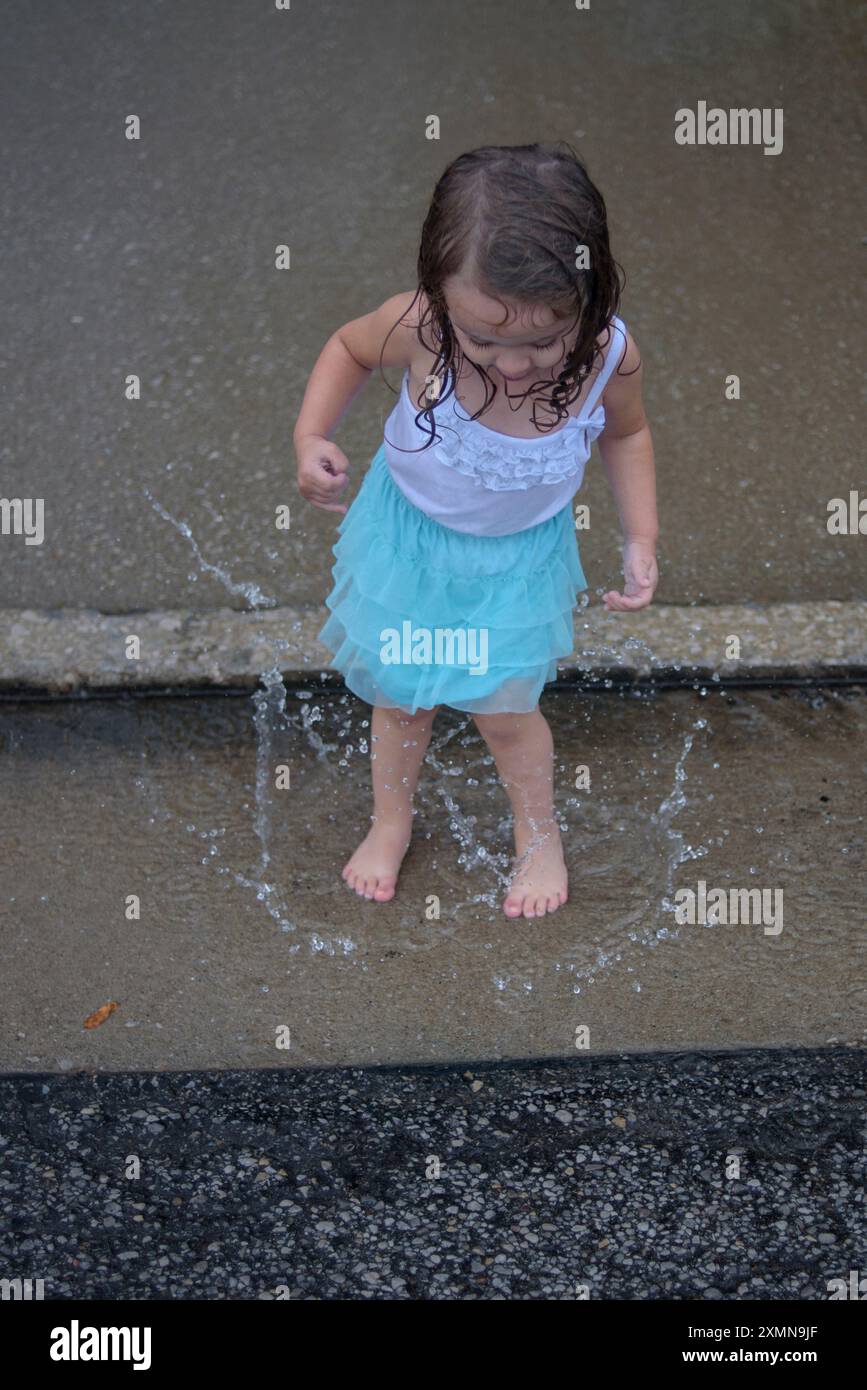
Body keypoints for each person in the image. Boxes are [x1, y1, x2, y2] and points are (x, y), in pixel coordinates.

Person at [294, 143, 658, 918]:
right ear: (438, 291)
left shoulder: (606, 358)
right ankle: (391, 821)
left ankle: (537, 834)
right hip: (409, 546)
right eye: (485, 339)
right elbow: (347, 348)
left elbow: (626, 436)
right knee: (402, 699)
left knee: (505, 715)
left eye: (540, 340)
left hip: (518, 563)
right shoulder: (418, 327)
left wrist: (640, 537)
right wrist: (311, 435)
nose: (513, 364)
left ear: (587, 303)